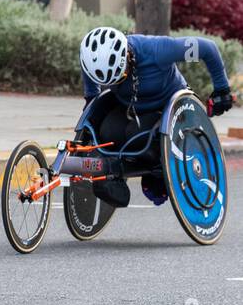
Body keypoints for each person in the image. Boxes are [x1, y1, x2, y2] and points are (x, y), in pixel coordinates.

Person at [79, 26, 233, 207]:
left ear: (127, 56)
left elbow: (208, 48)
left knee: (136, 135)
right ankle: (113, 175)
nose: (120, 82)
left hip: (168, 107)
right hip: (131, 108)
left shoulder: (157, 49)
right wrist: (91, 98)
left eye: (121, 76)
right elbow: (89, 79)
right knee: (107, 133)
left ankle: (156, 173)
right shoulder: (90, 59)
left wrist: (222, 89)